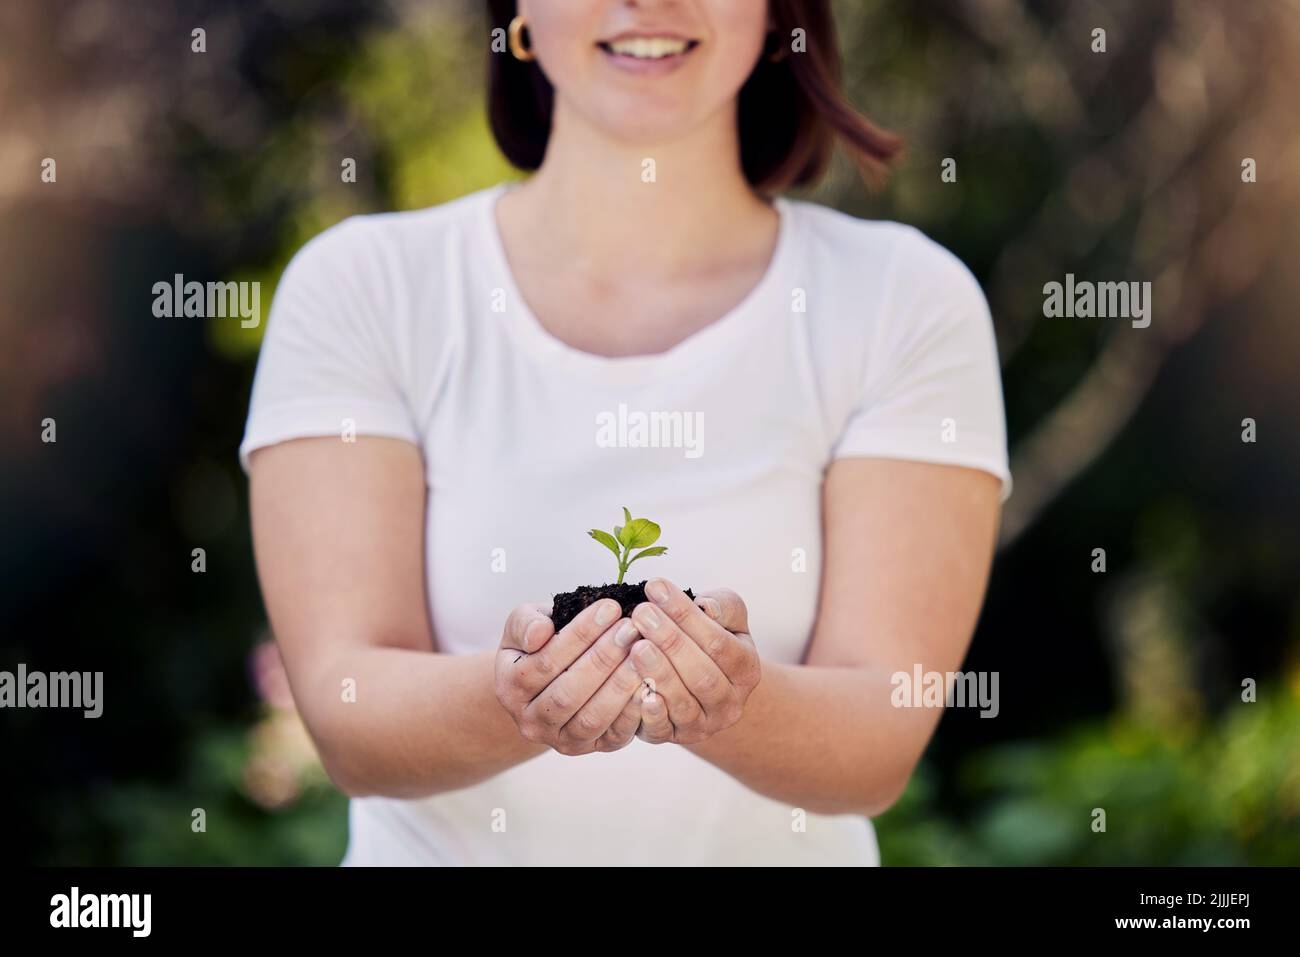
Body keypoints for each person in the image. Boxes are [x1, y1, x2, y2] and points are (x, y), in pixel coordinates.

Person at [241, 0, 1011, 866]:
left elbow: (878, 738)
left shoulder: (902, 302)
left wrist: (730, 699)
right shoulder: (361, 290)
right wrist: (519, 696)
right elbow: (347, 710)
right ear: (520, 13)